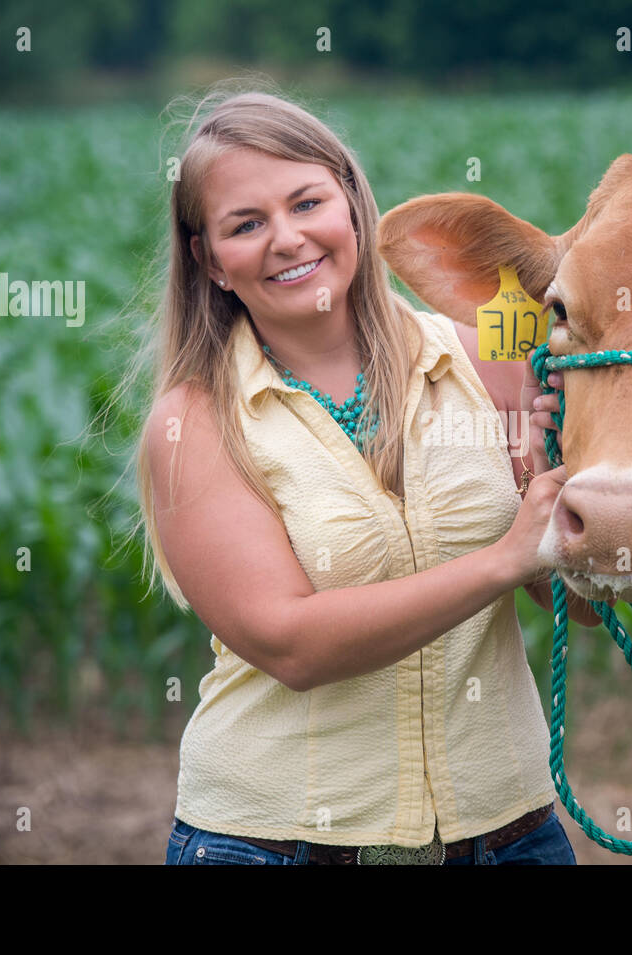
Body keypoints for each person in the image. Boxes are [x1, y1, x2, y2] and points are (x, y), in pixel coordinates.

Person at [131, 84, 601, 865]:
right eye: (246, 225)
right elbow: (293, 646)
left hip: (508, 834)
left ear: (353, 205)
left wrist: (577, 501)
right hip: (278, 843)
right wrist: (504, 557)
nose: (287, 239)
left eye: (306, 202)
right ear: (209, 261)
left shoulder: (487, 359)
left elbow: (574, 607)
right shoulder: (195, 423)